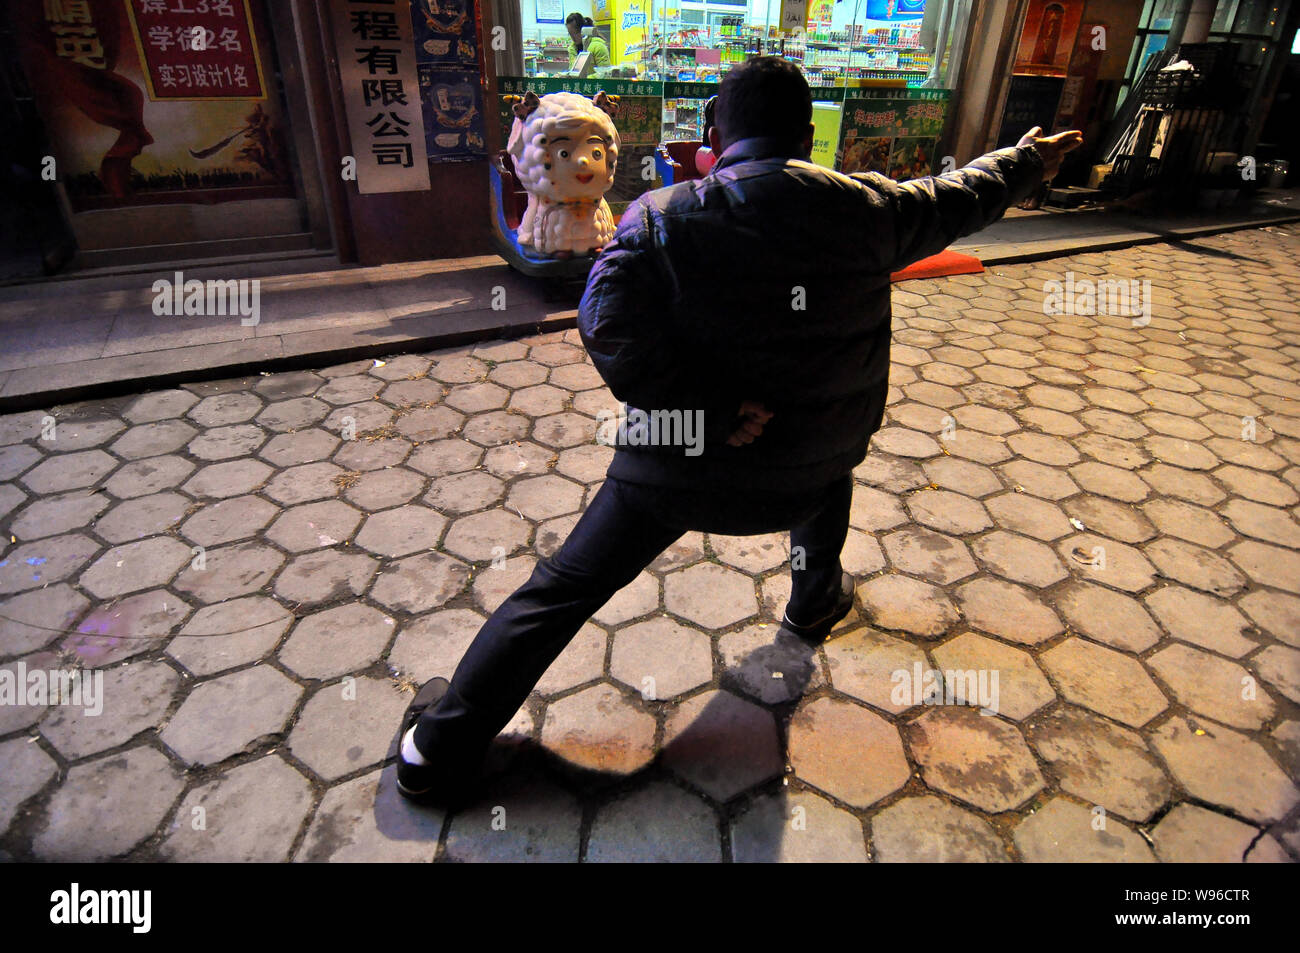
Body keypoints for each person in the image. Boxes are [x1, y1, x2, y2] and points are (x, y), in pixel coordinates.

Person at [396, 56, 1083, 806]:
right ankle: (814, 597)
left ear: (713, 136)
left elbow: (606, 326)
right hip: (807, 475)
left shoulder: (660, 216)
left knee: (563, 587)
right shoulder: (874, 209)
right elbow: (964, 196)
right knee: (830, 451)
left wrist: (709, 413)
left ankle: (434, 750)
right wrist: (1028, 158)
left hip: (674, 478)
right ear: (810, 134)